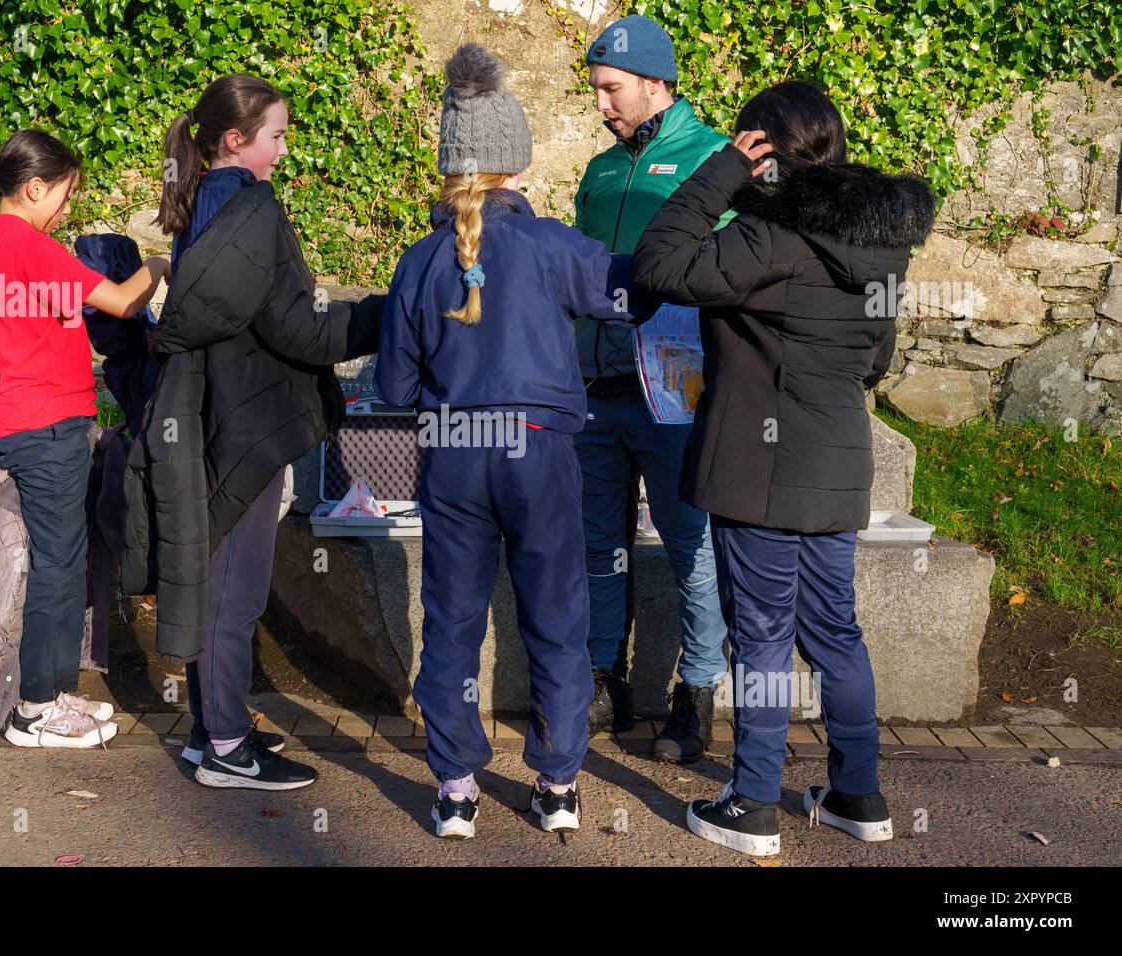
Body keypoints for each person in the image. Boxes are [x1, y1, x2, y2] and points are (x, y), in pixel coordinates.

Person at [631, 81, 936, 855]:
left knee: (762, 633)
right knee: (836, 630)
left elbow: (660, 264)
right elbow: (875, 358)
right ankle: (857, 796)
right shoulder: (880, 247)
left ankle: (755, 804)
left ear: (760, 151)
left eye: (743, 144)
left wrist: (719, 175)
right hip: (837, 463)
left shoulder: (767, 241)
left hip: (757, 469)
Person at [375, 44, 653, 840]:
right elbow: (630, 293)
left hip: (455, 455)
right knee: (557, 618)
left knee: (452, 621)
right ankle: (559, 785)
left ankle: (457, 790)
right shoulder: (554, 245)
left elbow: (394, 390)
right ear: (516, 163)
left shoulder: (420, 260)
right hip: (540, 451)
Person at [126, 74, 385, 789]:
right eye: (275, 136)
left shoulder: (203, 202)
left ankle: (213, 730)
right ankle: (226, 749)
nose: (281, 152)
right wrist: (383, 314)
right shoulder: (251, 206)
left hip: (210, 418)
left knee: (221, 582)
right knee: (235, 591)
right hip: (247, 425)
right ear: (236, 141)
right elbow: (296, 328)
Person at [0, 129, 171, 748]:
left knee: (60, 559)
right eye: (65, 194)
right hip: (48, 423)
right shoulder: (29, 245)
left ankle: (52, 695)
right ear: (35, 187)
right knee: (59, 565)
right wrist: (159, 263)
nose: (68, 209)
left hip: (34, 419)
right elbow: (124, 303)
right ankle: (36, 709)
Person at [572, 14, 731, 762]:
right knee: (598, 543)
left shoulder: (713, 160)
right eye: (596, 89)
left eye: (610, 89)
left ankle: (695, 696)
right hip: (595, 388)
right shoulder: (600, 172)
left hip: (677, 393)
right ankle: (607, 681)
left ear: (654, 81)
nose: (600, 103)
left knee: (690, 544)